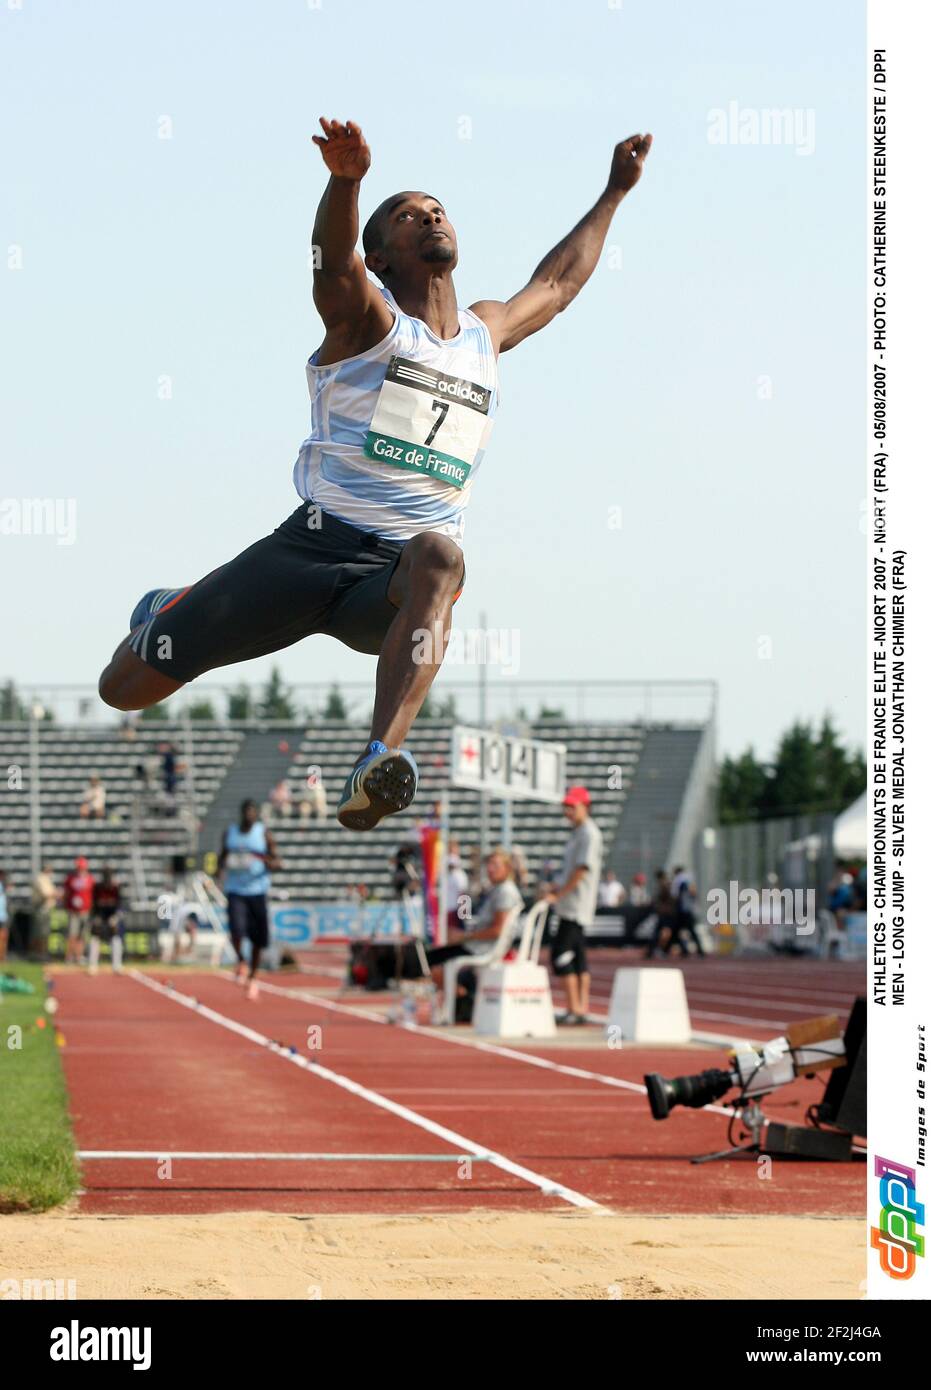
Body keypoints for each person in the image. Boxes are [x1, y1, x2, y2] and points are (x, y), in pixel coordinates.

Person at [97, 117, 653, 834]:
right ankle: (172, 608)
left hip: (386, 585)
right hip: (307, 552)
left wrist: (613, 191)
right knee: (125, 689)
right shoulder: (366, 320)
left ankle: (374, 763)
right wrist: (346, 180)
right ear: (381, 258)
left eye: (437, 209)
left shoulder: (485, 333)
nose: (429, 216)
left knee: (441, 557)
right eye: (407, 215)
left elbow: (557, 281)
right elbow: (330, 266)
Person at [426, 848, 523, 1016]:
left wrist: (464, 937)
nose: (490, 869)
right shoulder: (496, 889)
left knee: (428, 959)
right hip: (478, 944)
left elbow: (498, 931)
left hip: (484, 948)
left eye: (495, 865)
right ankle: (461, 997)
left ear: (507, 868)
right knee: (432, 956)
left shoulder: (505, 891)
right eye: (489, 865)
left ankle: (461, 997)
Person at [544, 786, 603, 1025]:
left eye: (572, 806)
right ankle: (579, 1007)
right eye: (566, 806)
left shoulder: (588, 833)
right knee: (578, 956)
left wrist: (559, 894)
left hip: (575, 904)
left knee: (561, 955)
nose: (567, 811)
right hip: (572, 904)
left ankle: (574, 1008)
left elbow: (582, 870)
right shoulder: (579, 832)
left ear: (585, 806)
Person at [218, 800, 282, 1000]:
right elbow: (221, 858)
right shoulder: (231, 834)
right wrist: (223, 865)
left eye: (252, 812)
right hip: (236, 890)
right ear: (241, 813)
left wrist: (267, 862)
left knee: (258, 938)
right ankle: (241, 960)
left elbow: (276, 860)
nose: (249, 815)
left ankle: (253, 977)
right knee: (236, 929)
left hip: (257, 891)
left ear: (256, 815)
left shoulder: (263, 834)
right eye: (246, 811)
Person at [89, 867, 124, 975]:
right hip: (99, 916)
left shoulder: (116, 888)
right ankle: (93, 965)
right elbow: (94, 904)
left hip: (111, 917)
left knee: (116, 939)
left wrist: (115, 918)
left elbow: (119, 905)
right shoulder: (97, 887)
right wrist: (95, 918)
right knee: (95, 939)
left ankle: (116, 965)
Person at [63, 857, 95, 964]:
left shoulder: (90, 879)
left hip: (85, 911)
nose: (80, 869)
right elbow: (66, 894)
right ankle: (69, 957)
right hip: (73, 911)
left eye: (81, 867)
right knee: (72, 934)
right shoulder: (70, 878)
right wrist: (67, 907)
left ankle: (79, 956)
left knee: (82, 935)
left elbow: (93, 894)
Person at [31, 864, 58, 959]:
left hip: (46, 909)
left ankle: (42, 953)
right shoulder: (40, 879)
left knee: (45, 933)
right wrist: (56, 894)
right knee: (40, 933)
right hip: (41, 909)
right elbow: (46, 894)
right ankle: (37, 954)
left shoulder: (47, 879)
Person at [445, 838, 470, 934]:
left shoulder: (459, 874)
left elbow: (463, 894)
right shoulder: (449, 871)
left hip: (454, 911)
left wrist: (464, 915)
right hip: (447, 910)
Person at [0, 871, 9, 963]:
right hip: (1, 915)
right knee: (3, 936)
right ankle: (1, 957)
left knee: (4, 936)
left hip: (3, 915)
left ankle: (2, 956)